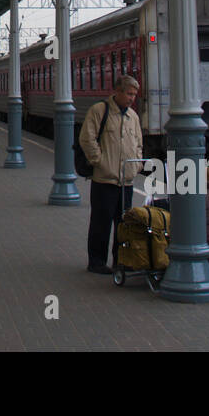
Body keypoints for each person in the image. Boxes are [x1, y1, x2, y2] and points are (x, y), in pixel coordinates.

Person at [80, 74, 142, 273]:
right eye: (129, 94)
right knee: (101, 222)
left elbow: (139, 144)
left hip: (127, 181)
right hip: (104, 179)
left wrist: (137, 165)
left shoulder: (133, 117)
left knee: (124, 224)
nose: (132, 98)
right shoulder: (99, 111)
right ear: (118, 91)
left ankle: (120, 260)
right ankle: (96, 261)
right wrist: (100, 162)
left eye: (135, 94)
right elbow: (87, 139)